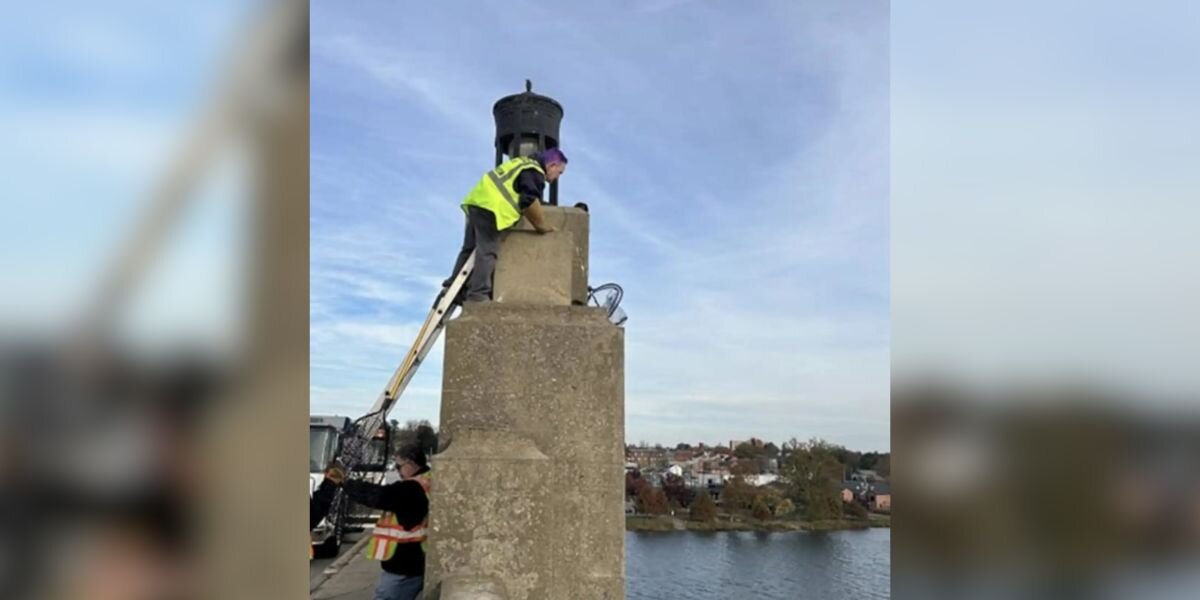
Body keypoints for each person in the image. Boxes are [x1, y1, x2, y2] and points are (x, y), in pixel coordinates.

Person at [441, 148, 569, 304]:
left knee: (469, 249)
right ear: (552, 165)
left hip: (478, 201)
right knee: (488, 251)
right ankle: (478, 294)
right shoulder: (535, 172)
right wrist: (541, 226)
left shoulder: (522, 163)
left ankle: (453, 287)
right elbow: (527, 201)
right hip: (492, 208)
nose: (557, 178)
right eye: (560, 173)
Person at [340, 445, 431, 600]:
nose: (397, 470)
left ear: (410, 463)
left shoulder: (412, 487)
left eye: (398, 466)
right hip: (415, 560)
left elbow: (379, 496)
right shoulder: (426, 479)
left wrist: (345, 484)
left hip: (404, 566)